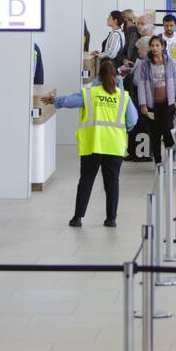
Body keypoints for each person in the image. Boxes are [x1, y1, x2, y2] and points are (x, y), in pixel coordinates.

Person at [49, 59, 137, 228]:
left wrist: (54, 100)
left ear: (99, 75)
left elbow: (69, 101)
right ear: (115, 76)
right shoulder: (123, 96)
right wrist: (122, 130)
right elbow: (132, 120)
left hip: (92, 145)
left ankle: (77, 218)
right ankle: (111, 219)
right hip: (114, 146)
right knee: (112, 183)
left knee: (86, 181)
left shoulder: (89, 94)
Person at [132, 35, 176, 166]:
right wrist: (143, 105)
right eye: (152, 45)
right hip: (152, 105)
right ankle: (158, 161)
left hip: (168, 103)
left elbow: (175, 81)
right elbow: (141, 85)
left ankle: (171, 160)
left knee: (168, 130)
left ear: (162, 47)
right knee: (155, 133)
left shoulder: (169, 62)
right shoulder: (145, 64)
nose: (154, 48)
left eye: (157, 45)